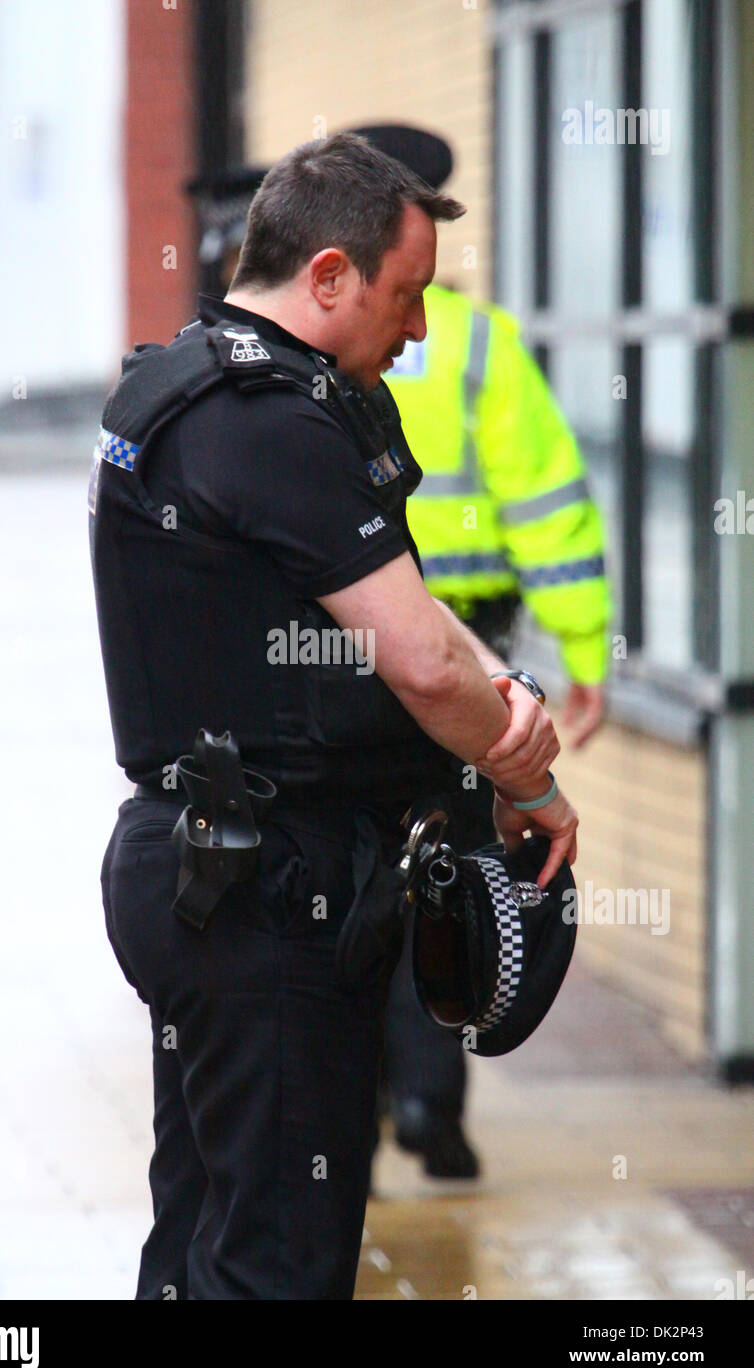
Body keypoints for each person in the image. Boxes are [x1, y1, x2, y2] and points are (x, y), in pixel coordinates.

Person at [89, 133, 578, 1300]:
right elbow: (417, 660)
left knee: (202, 1235)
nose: (415, 331)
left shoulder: (198, 386)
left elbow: (407, 618)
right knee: (279, 1267)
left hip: (213, 874)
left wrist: (498, 699)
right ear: (326, 276)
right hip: (262, 897)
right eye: (404, 297)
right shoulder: (270, 421)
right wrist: (526, 779)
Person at [332, 124, 610, 1181]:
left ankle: (345, 1119)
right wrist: (584, 646)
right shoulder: (483, 342)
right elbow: (548, 505)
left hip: (351, 646)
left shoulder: (325, 345)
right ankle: (432, 1105)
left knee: (357, 870)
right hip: (470, 656)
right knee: (450, 872)